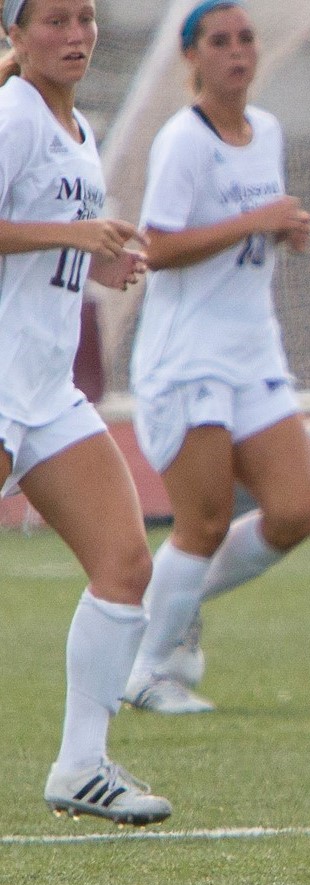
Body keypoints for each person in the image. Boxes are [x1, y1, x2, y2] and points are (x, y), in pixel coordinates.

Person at [122, 0, 310, 715]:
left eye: (245, 39)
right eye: (219, 41)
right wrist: (256, 220)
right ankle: (146, 668)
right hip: (188, 357)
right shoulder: (183, 141)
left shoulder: (266, 131)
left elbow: (252, 232)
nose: (237, 51)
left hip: (252, 348)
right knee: (200, 522)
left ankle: (171, 604)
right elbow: (157, 247)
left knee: (296, 509)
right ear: (192, 57)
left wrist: (282, 232)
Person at [0, 0, 168, 824]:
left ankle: (81, 763)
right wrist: (74, 237)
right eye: (54, 20)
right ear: (14, 34)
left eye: (85, 17)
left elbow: (52, 238)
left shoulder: (77, 129)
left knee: (126, 564)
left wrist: (93, 263)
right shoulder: (13, 116)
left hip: (44, 391)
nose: (75, 35)